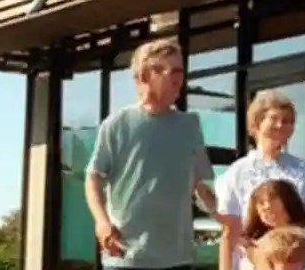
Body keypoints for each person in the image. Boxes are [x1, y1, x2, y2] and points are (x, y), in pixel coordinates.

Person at [85, 37, 218, 269]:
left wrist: (229, 220)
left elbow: (202, 183)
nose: (179, 78)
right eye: (171, 71)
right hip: (126, 258)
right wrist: (102, 222)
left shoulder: (190, 125)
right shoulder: (117, 124)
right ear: (144, 76)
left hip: (178, 259)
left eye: (180, 71)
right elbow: (93, 178)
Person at [215, 90, 305, 270]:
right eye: (274, 118)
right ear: (257, 122)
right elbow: (229, 234)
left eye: (287, 120)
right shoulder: (237, 173)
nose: (280, 124)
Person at [241, 180, 305, 270]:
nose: (267, 206)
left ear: (288, 202)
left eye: (273, 199)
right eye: (261, 202)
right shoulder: (253, 245)